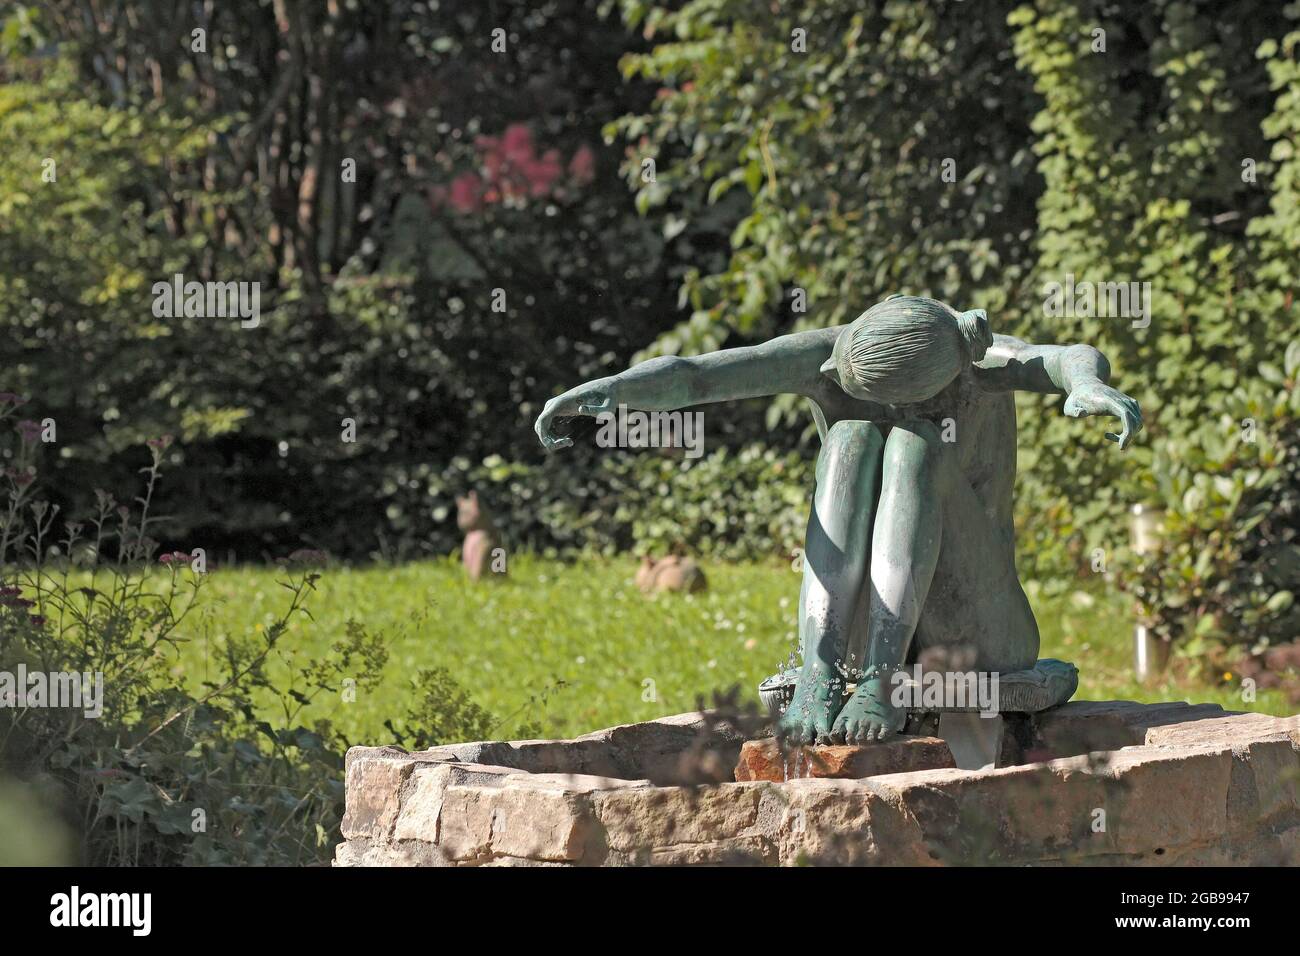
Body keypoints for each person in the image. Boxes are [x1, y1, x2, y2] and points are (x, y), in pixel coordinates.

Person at [534, 295, 1142, 744]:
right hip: (856, 623)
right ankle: (823, 669)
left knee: (915, 449)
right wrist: (611, 390)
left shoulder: (978, 355)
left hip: (979, 635)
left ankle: (881, 680)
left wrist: (1086, 384)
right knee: (849, 439)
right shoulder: (826, 355)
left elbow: (1064, 357)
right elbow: (698, 374)